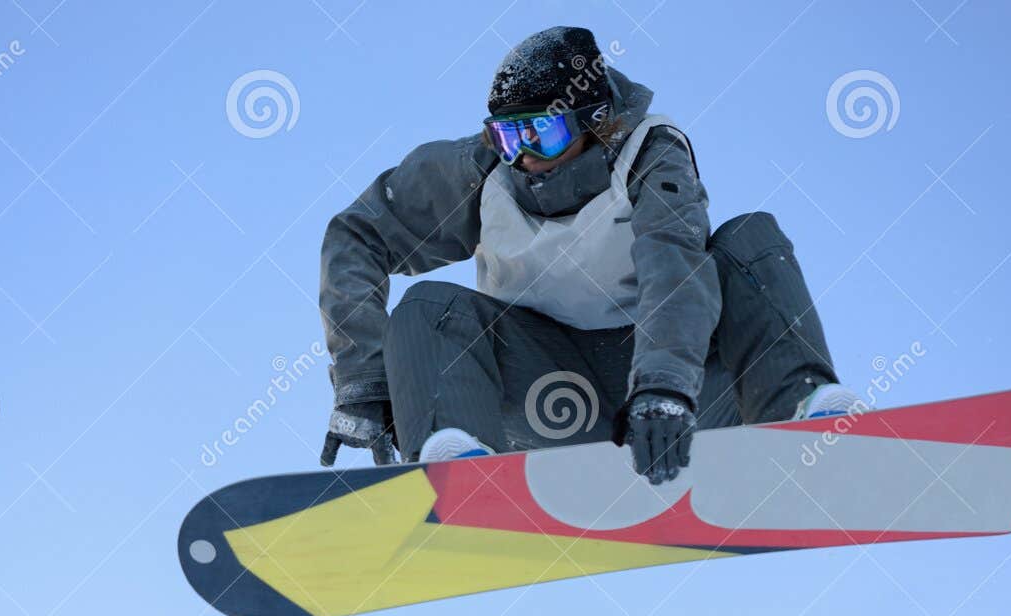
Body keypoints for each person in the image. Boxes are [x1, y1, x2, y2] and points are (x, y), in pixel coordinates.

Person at [317, 26, 856, 485]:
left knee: (748, 241)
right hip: (540, 390)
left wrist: (664, 386)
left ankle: (803, 416)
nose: (523, 156)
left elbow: (675, 264)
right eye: (508, 137)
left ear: (595, 121)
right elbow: (358, 234)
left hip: (680, 389)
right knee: (428, 308)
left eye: (542, 134)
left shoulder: (650, 153)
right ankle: (458, 467)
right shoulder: (483, 171)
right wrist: (365, 376)